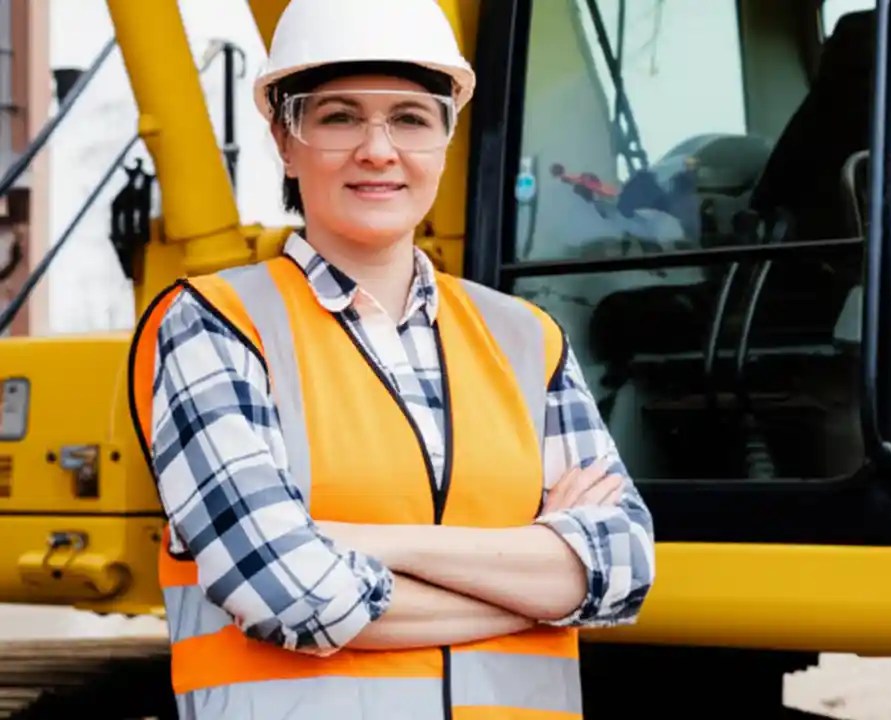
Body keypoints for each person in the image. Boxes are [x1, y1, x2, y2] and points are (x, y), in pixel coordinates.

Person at [126, 0, 656, 717]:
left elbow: (622, 570)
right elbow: (294, 595)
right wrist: (544, 584)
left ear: (445, 138)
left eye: (410, 117)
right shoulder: (216, 325)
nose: (378, 149)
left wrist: (358, 543)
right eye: (338, 116)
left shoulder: (527, 338)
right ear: (286, 141)